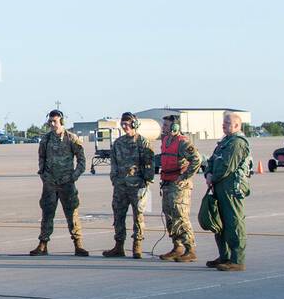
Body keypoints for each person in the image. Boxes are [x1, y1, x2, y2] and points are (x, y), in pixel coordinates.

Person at [30, 109, 88, 256]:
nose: (52, 124)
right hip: (50, 184)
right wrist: (43, 174)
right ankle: (43, 244)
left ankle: (78, 244)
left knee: (72, 213)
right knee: (47, 214)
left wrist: (73, 177)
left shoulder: (72, 138)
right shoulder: (46, 139)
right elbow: (41, 158)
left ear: (61, 121)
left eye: (54, 121)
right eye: (50, 121)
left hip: (66, 183)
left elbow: (82, 161)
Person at [103, 112, 154, 258]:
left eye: (127, 124)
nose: (125, 127)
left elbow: (149, 164)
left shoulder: (142, 142)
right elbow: (114, 162)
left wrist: (147, 181)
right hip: (120, 186)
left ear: (134, 124)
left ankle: (137, 245)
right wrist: (114, 178)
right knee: (118, 215)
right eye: (123, 124)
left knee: (139, 216)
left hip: (138, 186)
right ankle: (119, 246)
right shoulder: (118, 143)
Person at [205, 111, 250, 272]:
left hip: (231, 188)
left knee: (234, 222)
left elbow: (227, 166)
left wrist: (213, 177)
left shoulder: (237, 143)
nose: (224, 125)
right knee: (219, 223)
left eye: (227, 123)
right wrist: (208, 173)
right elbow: (211, 160)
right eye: (224, 122)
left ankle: (237, 259)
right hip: (219, 186)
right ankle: (224, 256)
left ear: (237, 125)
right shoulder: (225, 141)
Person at [157, 113, 202, 262]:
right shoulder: (166, 141)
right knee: (170, 216)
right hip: (167, 183)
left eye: (166, 125)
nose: (163, 127)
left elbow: (196, 159)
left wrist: (184, 177)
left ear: (175, 126)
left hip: (179, 186)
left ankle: (190, 249)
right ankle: (177, 247)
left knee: (181, 216)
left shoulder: (182, 142)